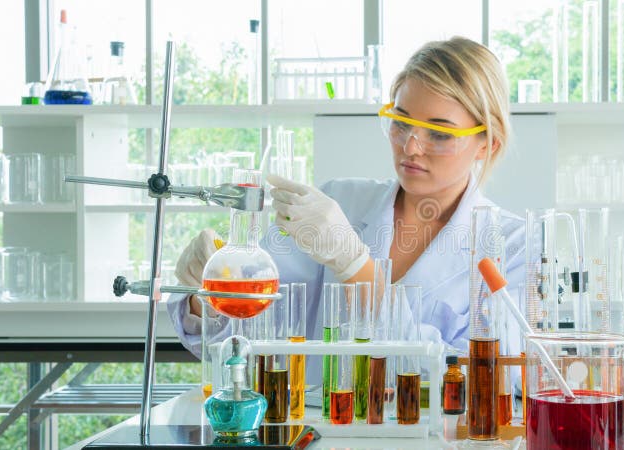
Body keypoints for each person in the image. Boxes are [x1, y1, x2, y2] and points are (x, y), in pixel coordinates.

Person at [167, 36, 525, 361]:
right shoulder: (337, 203)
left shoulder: (512, 245)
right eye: (400, 122)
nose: (410, 147)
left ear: (487, 144)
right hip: (317, 431)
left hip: (435, 435)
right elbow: (243, 341)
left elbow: (490, 379)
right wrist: (209, 298)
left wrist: (356, 267)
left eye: (439, 134)